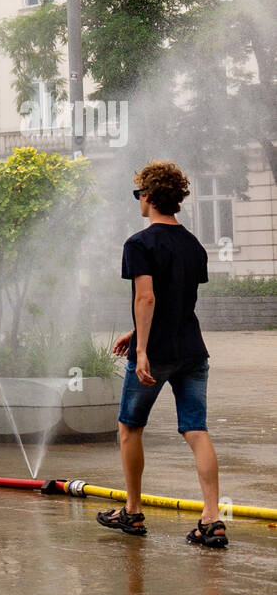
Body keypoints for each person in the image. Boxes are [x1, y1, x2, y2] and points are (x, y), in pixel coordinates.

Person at [98, 161, 227, 548]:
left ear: (150, 197)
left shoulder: (139, 244)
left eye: (139, 194)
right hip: (192, 350)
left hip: (155, 354)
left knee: (129, 427)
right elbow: (179, 301)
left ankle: (133, 512)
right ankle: (212, 518)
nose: (138, 200)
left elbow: (148, 295)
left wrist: (141, 349)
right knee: (195, 429)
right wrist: (137, 330)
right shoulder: (193, 245)